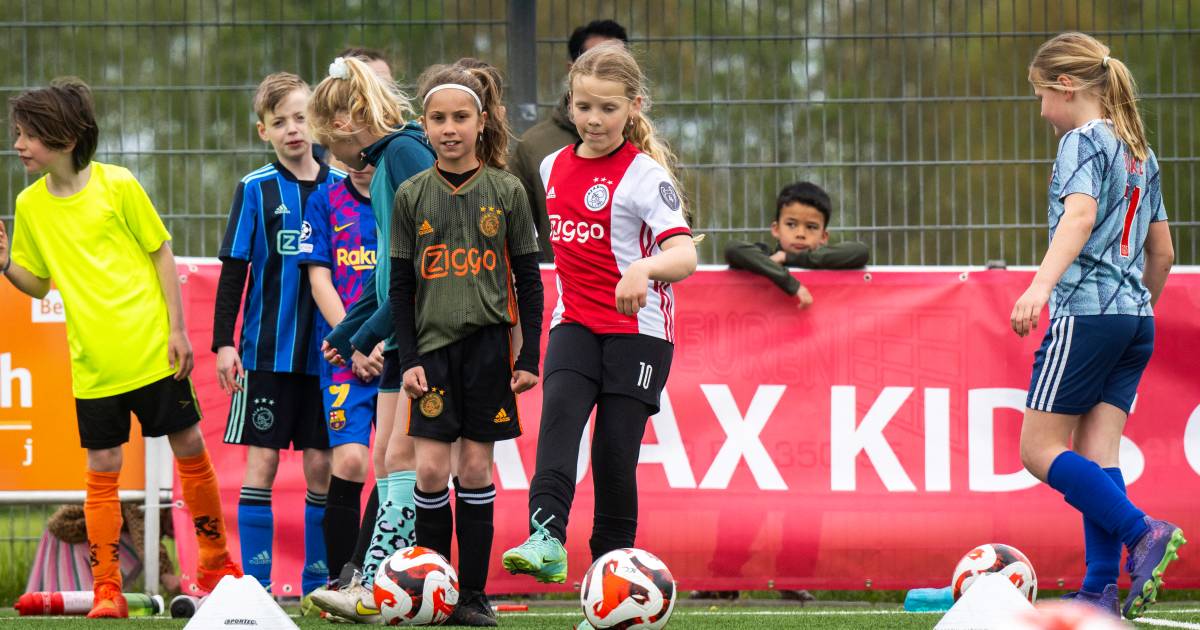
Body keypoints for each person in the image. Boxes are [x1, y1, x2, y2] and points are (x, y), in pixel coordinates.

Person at [2, 78, 241, 618]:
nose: (18, 145)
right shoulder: (29, 206)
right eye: (16, 134)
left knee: (189, 449)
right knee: (103, 466)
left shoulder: (119, 185)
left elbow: (160, 252)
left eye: (27, 135)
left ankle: (215, 565)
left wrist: (177, 332)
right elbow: (39, 283)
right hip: (94, 365)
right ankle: (107, 589)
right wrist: (4, 265)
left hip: (153, 350)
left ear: (63, 138)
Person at [501, 44, 697, 630]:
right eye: (583, 106)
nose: (593, 119)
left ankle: (612, 591)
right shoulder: (550, 166)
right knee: (558, 422)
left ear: (633, 108)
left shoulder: (645, 175)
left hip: (639, 336)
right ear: (570, 102)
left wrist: (644, 269)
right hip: (575, 325)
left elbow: (683, 253)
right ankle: (545, 539)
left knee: (615, 457)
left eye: (608, 109)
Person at [1013, 32, 1182, 620]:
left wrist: (1039, 285)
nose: (1040, 110)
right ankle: (1100, 588)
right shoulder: (1141, 150)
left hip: (1086, 313)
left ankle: (1142, 532)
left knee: (1038, 450)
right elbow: (1162, 251)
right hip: (1136, 318)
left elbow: (1080, 214)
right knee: (1098, 450)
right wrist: (1138, 308)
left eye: (1040, 94)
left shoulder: (1080, 139)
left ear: (1066, 86)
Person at [391, 62, 543, 627]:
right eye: (437, 119)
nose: (449, 128)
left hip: (486, 348)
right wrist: (407, 359)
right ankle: (434, 592)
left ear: (481, 123)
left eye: (460, 117)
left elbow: (528, 280)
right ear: (423, 126)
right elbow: (401, 286)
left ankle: (472, 597)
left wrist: (527, 358)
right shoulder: (411, 195)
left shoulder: (507, 191)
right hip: (430, 352)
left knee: (475, 466)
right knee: (430, 472)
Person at [305, 55, 435, 623]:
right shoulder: (386, 161)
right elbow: (388, 267)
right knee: (386, 455)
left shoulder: (404, 154)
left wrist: (377, 330)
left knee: (403, 455)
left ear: (349, 120)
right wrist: (350, 330)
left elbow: (421, 264)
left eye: (326, 136)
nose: (328, 153)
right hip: (399, 324)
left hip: (424, 328)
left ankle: (381, 579)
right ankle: (372, 576)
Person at [212, 72, 340, 596]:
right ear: (262, 130)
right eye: (279, 121)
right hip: (266, 354)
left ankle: (319, 583)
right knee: (261, 463)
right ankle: (257, 585)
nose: (293, 129)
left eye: (301, 117)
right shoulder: (255, 188)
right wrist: (224, 343)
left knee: (322, 466)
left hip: (328, 357)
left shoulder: (340, 188)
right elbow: (234, 271)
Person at [297, 154, 381, 596]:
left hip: (398, 351)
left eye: (365, 149)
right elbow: (319, 281)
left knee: (397, 468)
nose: (356, 160)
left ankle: (386, 576)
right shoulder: (325, 200)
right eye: (343, 152)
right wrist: (355, 343)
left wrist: (384, 337)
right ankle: (341, 580)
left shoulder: (401, 196)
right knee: (350, 461)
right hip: (343, 354)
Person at [509, 19, 629, 262]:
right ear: (572, 69)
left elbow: (677, 229)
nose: (605, 69)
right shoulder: (535, 148)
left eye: (616, 63)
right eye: (594, 60)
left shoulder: (648, 144)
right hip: (560, 291)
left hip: (633, 293)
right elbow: (516, 233)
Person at [725, 182, 869, 308]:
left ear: (823, 237)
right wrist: (793, 285)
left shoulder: (827, 259)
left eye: (811, 227)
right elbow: (733, 248)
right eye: (791, 224)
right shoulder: (766, 256)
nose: (800, 233)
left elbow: (860, 252)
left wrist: (789, 258)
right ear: (776, 229)